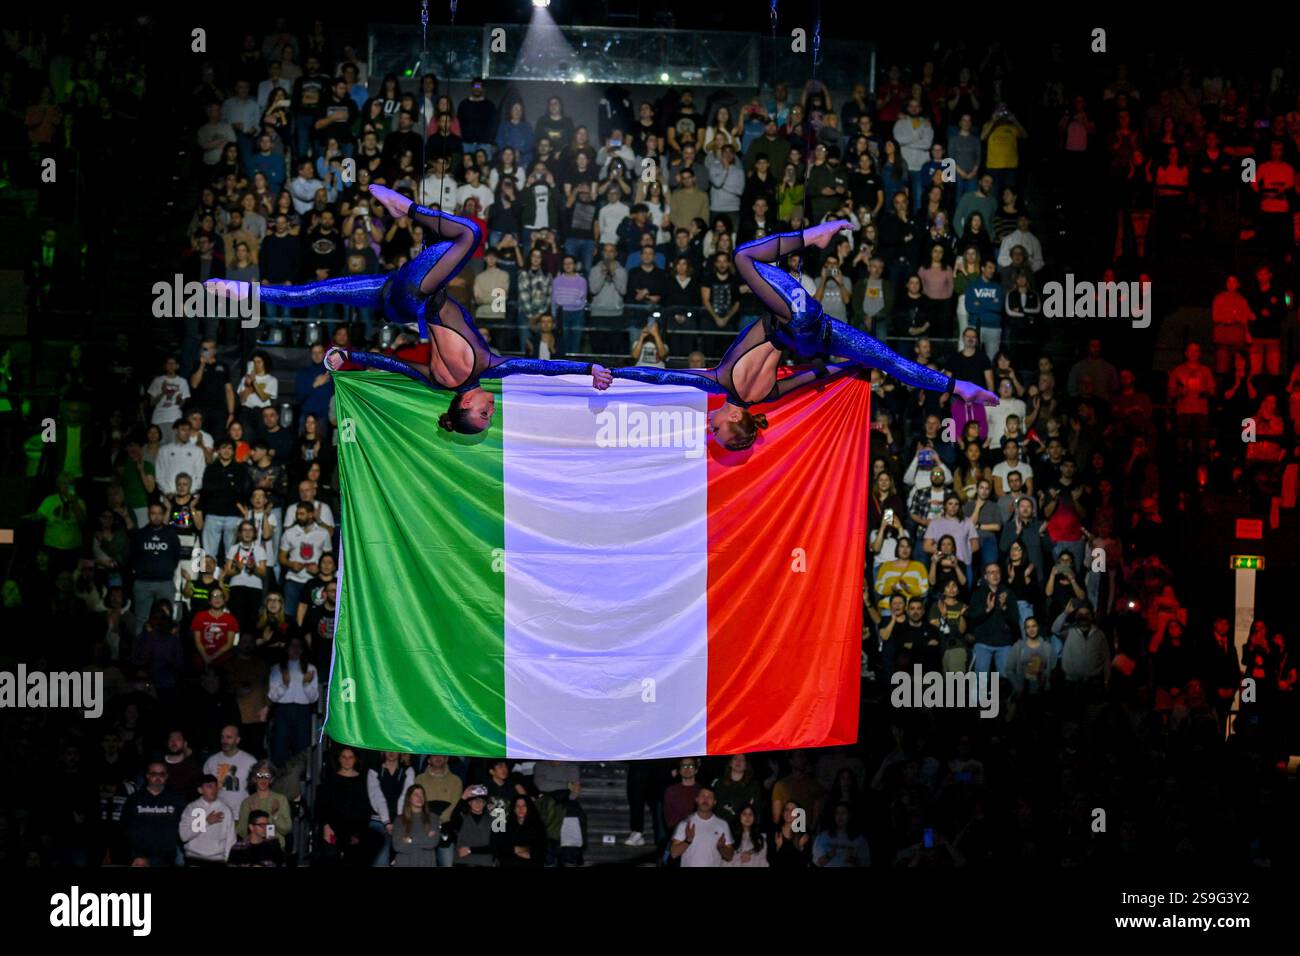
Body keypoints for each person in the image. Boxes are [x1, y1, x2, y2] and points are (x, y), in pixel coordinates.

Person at [210, 185, 613, 434]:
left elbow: (538, 366)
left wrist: (588, 369)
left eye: (484, 417)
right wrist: (349, 356)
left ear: (466, 405)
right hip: (394, 299)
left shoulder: (486, 368)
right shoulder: (439, 383)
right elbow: (391, 364)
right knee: (310, 293)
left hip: (415, 294)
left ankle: (406, 208)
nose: (492, 412)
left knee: (471, 232)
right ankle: (240, 290)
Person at [612, 220, 997, 450]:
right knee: (743, 257)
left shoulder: (761, 395)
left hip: (814, 335)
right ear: (734, 418)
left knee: (885, 358)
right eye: (720, 435)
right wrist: (611, 375)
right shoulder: (719, 382)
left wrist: (851, 364)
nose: (712, 431)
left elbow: (816, 374)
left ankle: (958, 386)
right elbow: (661, 375)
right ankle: (816, 235)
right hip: (796, 321)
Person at [120, 762, 186, 866]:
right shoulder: (134, 799)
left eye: (162, 774)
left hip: (168, 855)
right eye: (154, 774)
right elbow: (125, 827)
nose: (158, 777)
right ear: (147, 776)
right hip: (141, 856)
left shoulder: (177, 799)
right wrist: (136, 854)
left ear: (167, 776)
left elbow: (184, 826)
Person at [670, 786, 735, 866]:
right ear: (696, 799)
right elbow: (674, 853)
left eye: (709, 797)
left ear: (714, 802)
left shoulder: (723, 824)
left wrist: (721, 848)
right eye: (703, 796)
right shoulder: (685, 823)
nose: (705, 799)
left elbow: (730, 857)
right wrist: (688, 840)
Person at [179, 774, 236, 866]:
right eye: (209, 786)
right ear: (200, 790)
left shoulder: (225, 809)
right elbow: (184, 836)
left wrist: (226, 859)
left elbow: (231, 839)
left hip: (217, 859)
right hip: (194, 858)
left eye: (215, 786)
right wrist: (206, 822)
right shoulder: (191, 808)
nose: (214, 790)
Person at [391, 784, 441, 867]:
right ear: (409, 798)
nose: (420, 797)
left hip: (426, 862)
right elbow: (398, 846)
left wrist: (409, 839)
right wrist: (425, 837)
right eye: (416, 794)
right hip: (404, 863)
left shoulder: (433, 818)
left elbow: (433, 842)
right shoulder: (399, 820)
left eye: (422, 794)